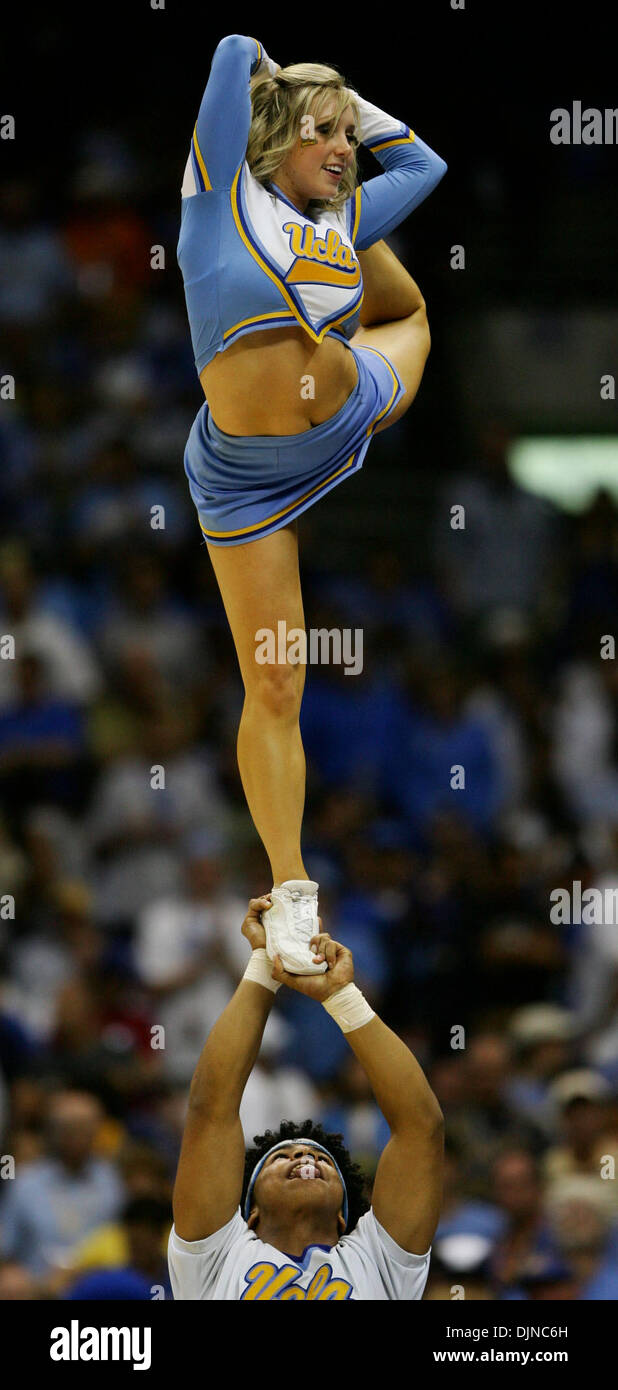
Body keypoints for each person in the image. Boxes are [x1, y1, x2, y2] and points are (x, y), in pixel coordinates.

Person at [177, 34, 447, 972]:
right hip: (249, 482)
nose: (342, 143)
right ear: (265, 138)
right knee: (278, 681)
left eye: (346, 131)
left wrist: (341, 115)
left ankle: (374, 315)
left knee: (407, 317)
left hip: (351, 407)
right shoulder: (215, 206)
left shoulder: (341, 213)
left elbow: (427, 162)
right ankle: (293, 893)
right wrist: (279, 74)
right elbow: (228, 52)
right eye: (318, 131)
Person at [168, 896, 444, 1300]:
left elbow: (423, 1126)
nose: (304, 1157)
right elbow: (212, 1108)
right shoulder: (216, 1253)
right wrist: (263, 963)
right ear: (252, 1210)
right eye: (282, 1157)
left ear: (342, 1213)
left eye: (320, 1158)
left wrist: (343, 997)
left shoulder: (380, 1258)